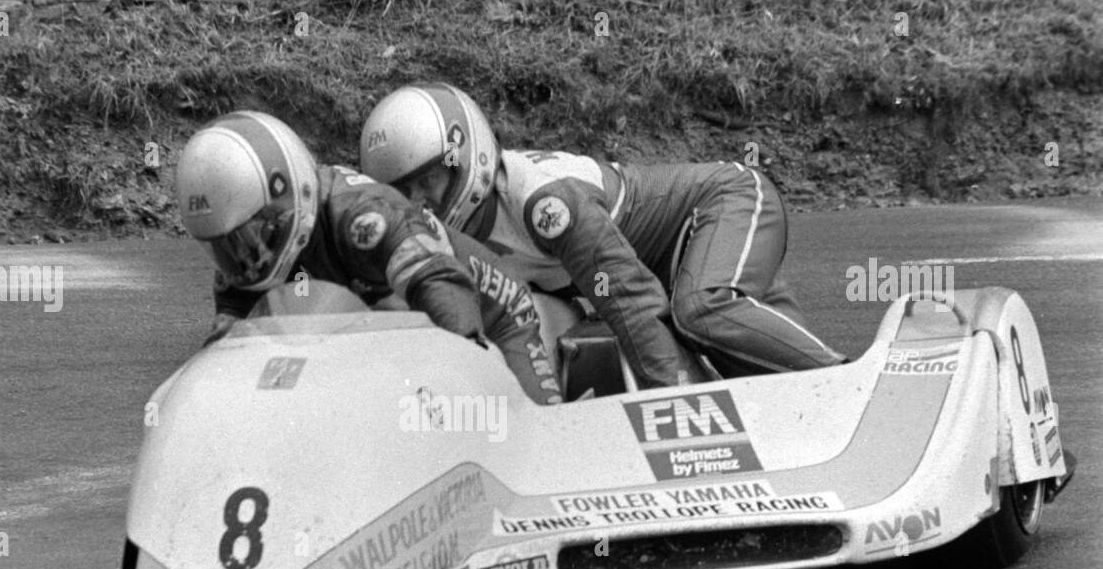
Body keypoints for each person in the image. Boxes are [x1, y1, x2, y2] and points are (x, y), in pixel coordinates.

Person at [358, 82, 846, 388]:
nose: (420, 201)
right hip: (671, 267)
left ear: (466, 159)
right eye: (404, 190)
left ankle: (849, 380)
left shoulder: (545, 204)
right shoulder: (452, 236)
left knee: (701, 311)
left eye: (429, 181)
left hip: (726, 202)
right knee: (764, 385)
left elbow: (630, 299)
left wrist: (678, 405)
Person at [174, 110, 561, 404]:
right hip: (392, 325)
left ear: (290, 194)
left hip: (492, 312)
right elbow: (228, 351)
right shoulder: (239, 269)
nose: (247, 257)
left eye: (254, 234)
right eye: (225, 246)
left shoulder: (363, 215)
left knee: (499, 424)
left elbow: (438, 282)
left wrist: (462, 370)